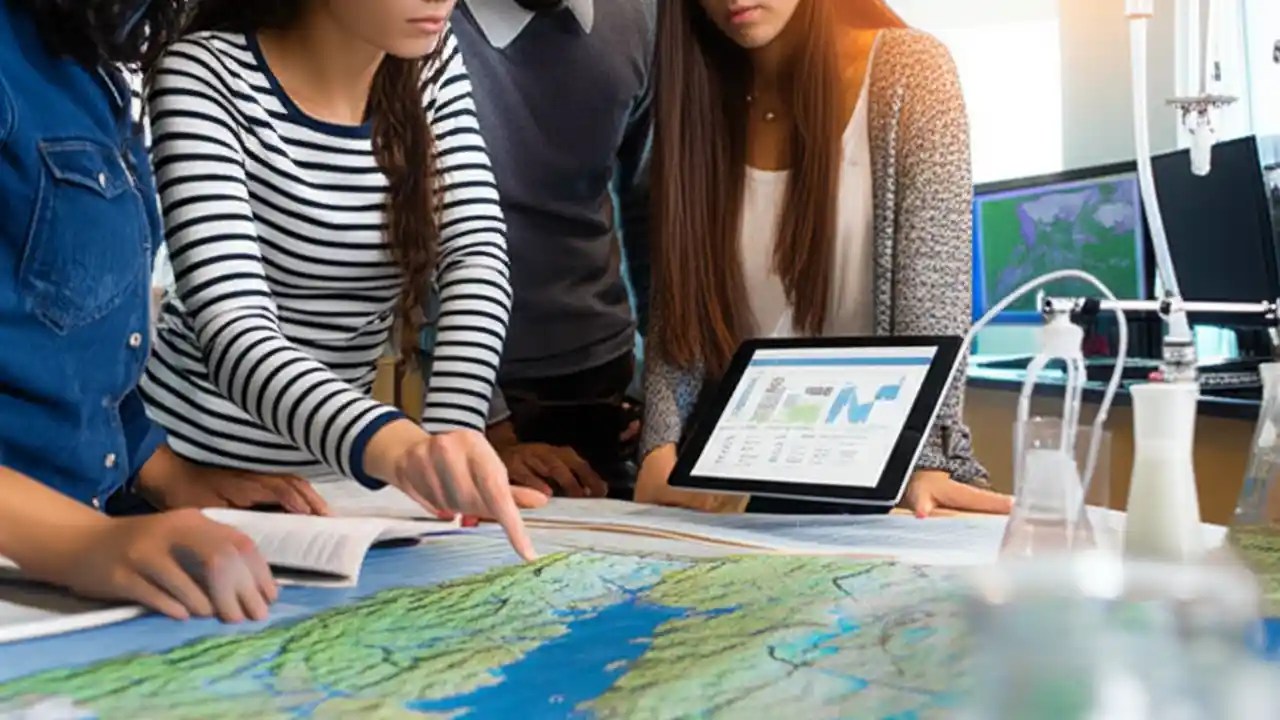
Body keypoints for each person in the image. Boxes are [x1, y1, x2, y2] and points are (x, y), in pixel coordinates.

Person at [137, 0, 544, 558]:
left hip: (334, 489)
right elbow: (236, 333)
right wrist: (403, 450)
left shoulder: (432, 60)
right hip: (187, 476)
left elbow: (475, 255)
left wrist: (451, 439)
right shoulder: (203, 73)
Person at [637, 0, 1013, 517]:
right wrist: (660, 452)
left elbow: (936, 292)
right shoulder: (697, 98)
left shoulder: (911, 72)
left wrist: (927, 462)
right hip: (733, 490)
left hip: (885, 482)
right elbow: (681, 306)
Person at [0, 0, 279, 622]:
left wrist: (164, 472)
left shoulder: (86, 64)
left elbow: (69, 335)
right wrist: (79, 543)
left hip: (84, 547)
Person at [446, 0, 654, 500]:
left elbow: (654, 209)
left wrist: (659, 391)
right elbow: (423, 245)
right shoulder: (419, 21)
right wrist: (485, 425)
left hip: (610, 379)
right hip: (466, 385)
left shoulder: (641, 15)